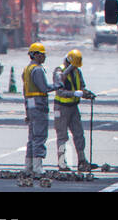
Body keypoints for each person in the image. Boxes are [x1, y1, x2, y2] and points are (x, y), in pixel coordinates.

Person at [52, 48, 96, 171]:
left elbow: (82, 87)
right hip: (61, 108)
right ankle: (61, 162)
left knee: (79, 134)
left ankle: (82, 161)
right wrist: (75, 93)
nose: (75, 67)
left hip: (73, 107)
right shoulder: (59, 71)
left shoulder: (77, 71)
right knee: (62, 136)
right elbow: (60, 91)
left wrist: (86, 93)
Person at [22, 43, 52, 176]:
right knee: (40, 136)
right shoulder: (38, 70)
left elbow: (25, 91)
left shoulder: (27, 69)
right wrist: (59, 85)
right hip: (39, 105)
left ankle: (28, 166)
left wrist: (27, 112)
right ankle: (37, 167)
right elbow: (44, 88)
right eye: (42, 54)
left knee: (32, 137)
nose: (44, 56)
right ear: (36, 55)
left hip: (30, 105)